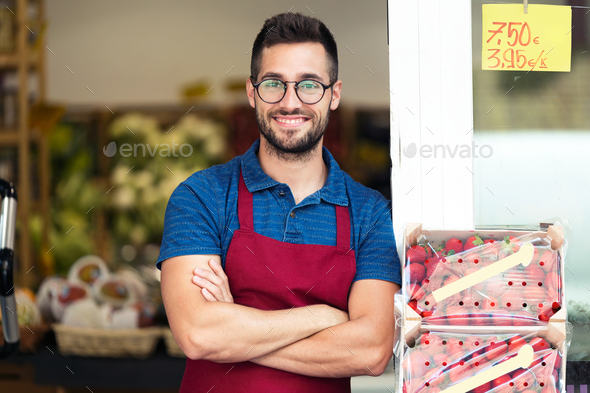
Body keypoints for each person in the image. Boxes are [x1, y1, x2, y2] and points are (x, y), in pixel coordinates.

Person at [158, 12, 401, 393]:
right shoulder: (201, 196)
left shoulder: (370, 213)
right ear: (252, 92)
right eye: (274, 84)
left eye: (309, 85)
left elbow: (371, 351)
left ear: (333, 95)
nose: (290, 103)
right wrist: (324, 317)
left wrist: (237, 327)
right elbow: (198, 334)